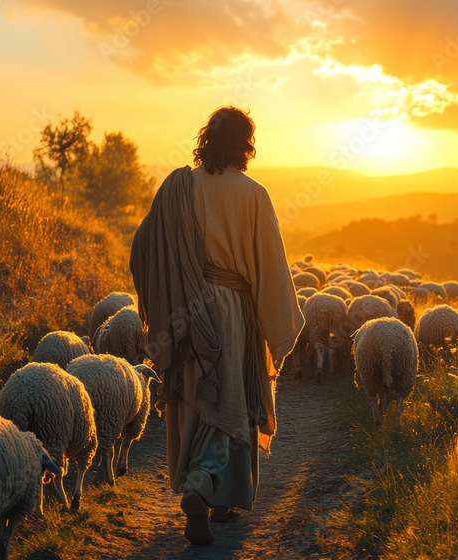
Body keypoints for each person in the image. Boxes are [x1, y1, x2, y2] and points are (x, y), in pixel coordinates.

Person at [129, 106, 303, 545]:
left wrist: (167, 294)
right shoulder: (253, 194)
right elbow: (269, 266)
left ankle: (215, 496)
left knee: (199, 398)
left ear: (207, 138)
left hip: (187, 310)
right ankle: (204, 485)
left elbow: (145, 246)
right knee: (232, 403)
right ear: (246, 144)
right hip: (231, 311)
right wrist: (278, 323)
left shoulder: (181, 188)